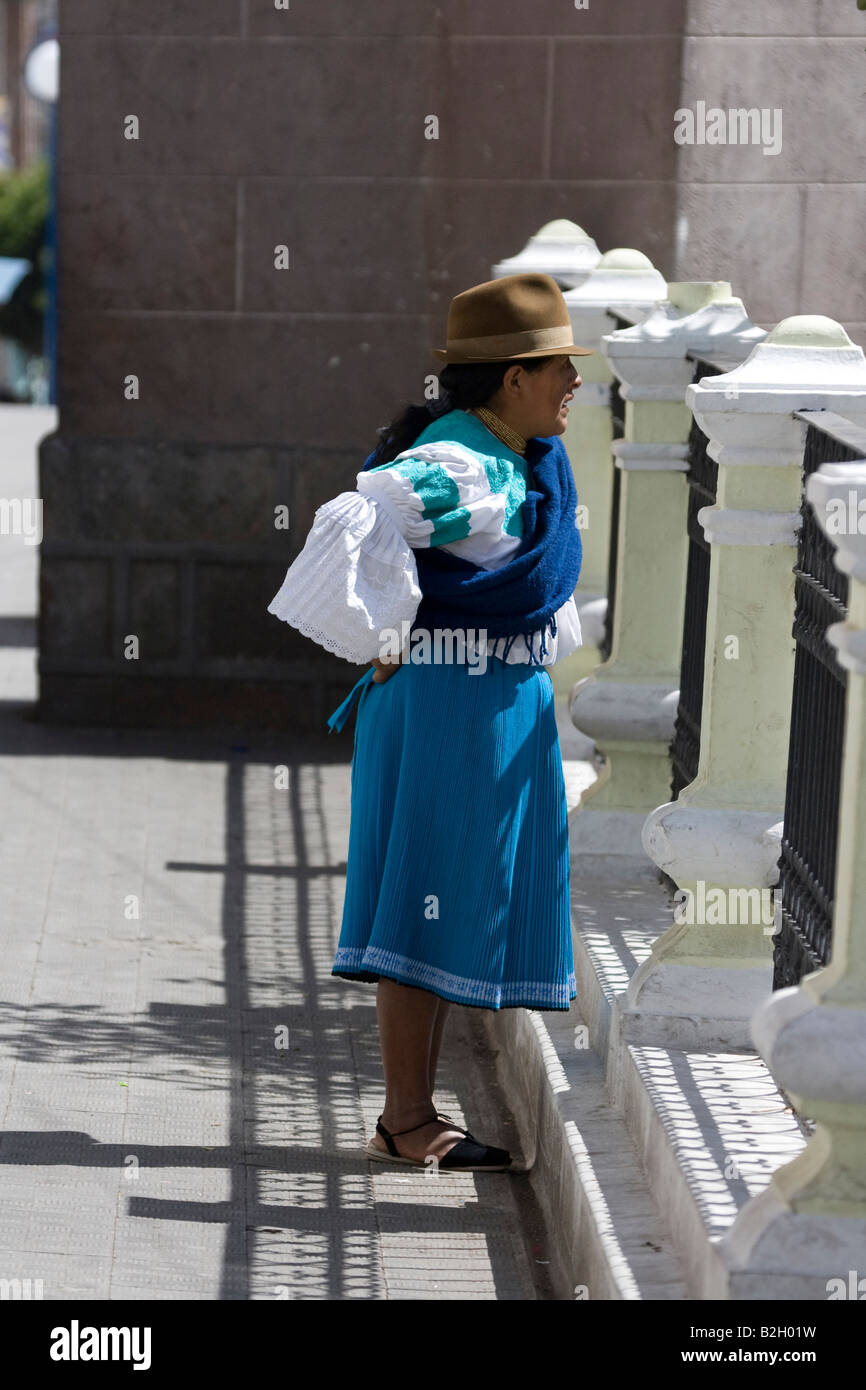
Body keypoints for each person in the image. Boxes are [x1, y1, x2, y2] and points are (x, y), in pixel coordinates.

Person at [268, 272, 593, 1171]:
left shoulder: (521, 454)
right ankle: (406, 1119)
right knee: (421, 902)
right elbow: (371, 508)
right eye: (560, 365)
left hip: (489, 701)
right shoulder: (461, 462)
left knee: (444, 899)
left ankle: (411, 1113)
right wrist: (381, 626)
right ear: (512, 377)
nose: (574, 382)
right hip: (448, 703)